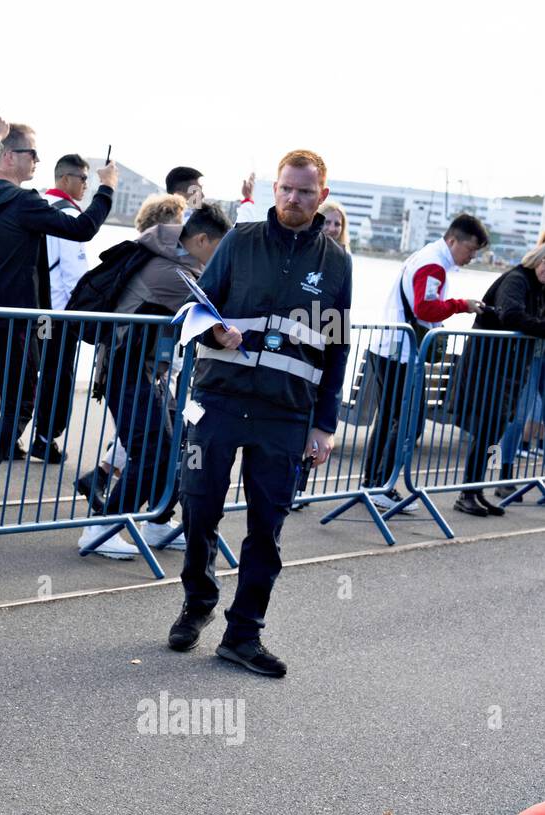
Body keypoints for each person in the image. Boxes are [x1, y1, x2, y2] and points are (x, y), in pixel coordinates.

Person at [167, 149, 352, 678]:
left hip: (287, 415)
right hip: (220, 400)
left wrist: (325, 424)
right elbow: (198, 308)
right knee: (199, 507)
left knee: (265, 529)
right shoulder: (240, 241)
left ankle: (243, 634)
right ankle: (198, 602)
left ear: (323, 195)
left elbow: (336, 348)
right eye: (286, 189)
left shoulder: (337, 262)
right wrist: (215, 328)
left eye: (305, 192)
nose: (294, 200)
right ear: (275, 188)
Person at [0, 125, 116, 521]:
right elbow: (82, 228)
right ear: (8, 156)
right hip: (16, 325)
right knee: (21, 407)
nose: (37, 162)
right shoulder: (23, 202)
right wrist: (106, 188)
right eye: (32, 154)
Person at [72, 203, 232, 557]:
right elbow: (217, 310)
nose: (222, 258)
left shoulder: (177, 255)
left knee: (182, 446)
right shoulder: (171, 271)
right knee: (151, 451)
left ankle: (157, 523)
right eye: (220, 249)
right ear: (202, 239)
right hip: (125, 369)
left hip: (148, 371)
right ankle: (101, 527)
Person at [362, 213, 489, 512]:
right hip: (401, 351)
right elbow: (426, 308)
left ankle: (373, 482)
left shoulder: (427, 257)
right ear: (452, 240)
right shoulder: (434, 264)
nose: (471, 257)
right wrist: (462, 305)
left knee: (391, 418)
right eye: (470, 249)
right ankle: (381, 484)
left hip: (390, 346)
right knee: (409, 420)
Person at [452, 242, 545, 516]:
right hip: (488, 365)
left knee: (493, 431)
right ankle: (467, 493)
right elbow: (513, 316)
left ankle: (476, 490)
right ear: (538, 260)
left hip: (509, 369)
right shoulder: (517, 279)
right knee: (485, 430)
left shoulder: (538, 287)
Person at [33, 154, 93, 461]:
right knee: (58, 376)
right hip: (61, 313)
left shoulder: (39, 206)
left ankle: (13, 434)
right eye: (83, 179)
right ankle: (45, 438)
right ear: (65, 179)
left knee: (30, 373)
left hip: (35, 311)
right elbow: (75, 275)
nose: (86, 185)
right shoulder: (68, 214)